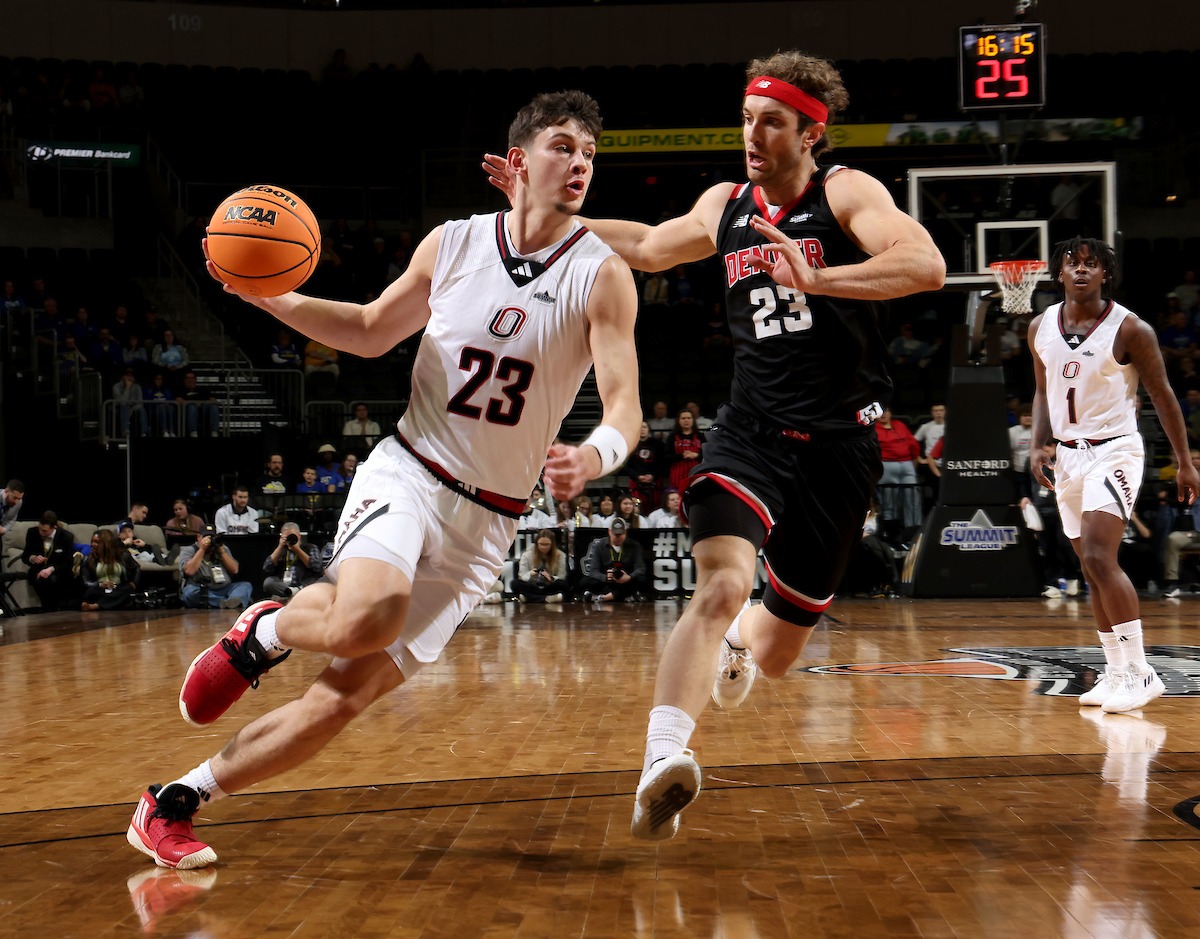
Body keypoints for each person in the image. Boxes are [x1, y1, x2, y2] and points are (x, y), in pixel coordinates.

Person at [127, 90, 640, 870]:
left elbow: (625, 408)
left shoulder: (602, 276)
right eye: (565, 146)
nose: (580, 164)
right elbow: (369, 332)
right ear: (517, 161)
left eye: (591, 155)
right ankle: (263, 629)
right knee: (363, 618)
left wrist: (594, 455)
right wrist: (273, 296)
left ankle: (174, 800)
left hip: (488, 525)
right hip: (411, 470)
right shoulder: (456, 243)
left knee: (341, 699)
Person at [486, 50, 945, 839]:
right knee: (721, 583)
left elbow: (926, 264)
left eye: (771, 121)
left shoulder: (846, 192)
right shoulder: (726, 202)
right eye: (746, 118)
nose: (752, 134)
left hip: (840, 450)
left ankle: (740, 640)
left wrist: (823, 279)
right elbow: (655, 245)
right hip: (751, 434)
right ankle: (663, 758)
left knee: (773, 654)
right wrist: (550, 214)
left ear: (810, 133)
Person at [1029, 236, 1198, 714]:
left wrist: (1185, 461)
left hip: (1115, 451)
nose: (1081, 270)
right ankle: (1117, 670)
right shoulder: (1040, 326)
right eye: (1072, 263)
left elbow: (1164, 395)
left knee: (1102, 557)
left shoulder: (1131, 329)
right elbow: (1042, 392)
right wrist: (1039, 443)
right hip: (1068, 455)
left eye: (1091, 265)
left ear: (1106, 274)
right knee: (1089, 567)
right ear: (1059, 273)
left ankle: (1141, 671)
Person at [874, 408, 922, 542]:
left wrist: (913, 462)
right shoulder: (873, 429)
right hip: (887, 465)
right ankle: (891, 536)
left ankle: (913, 534)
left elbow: (912, 444)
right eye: (880, 412)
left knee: (913, 499)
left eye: (886, 411)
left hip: (907, 464)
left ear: (890, 413)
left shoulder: (900, 425)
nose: (884, 415)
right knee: (889, 501)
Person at [177, 529, 254, 610]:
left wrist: (221, 552)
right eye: (206, 538)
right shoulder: (190, 550)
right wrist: (202, 549)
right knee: (189, 593)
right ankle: (227, 602)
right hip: (202, 589)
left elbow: (235, 570)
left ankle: (229, 602)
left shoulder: (222, 548)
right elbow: (189, 571)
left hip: (224, 588)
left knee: (245, 585)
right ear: (198, 537)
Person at [577, 517, 648, 602]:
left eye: (621, 534)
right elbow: (593, 571)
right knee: (585, 581)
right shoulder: (599, 545)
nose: (618, 537)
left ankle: (605, 597)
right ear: (609, 532)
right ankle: (621, 596)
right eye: (615, 535)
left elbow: (641, 568)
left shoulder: (635, 545)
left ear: (625, 532)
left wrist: (629, 577)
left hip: (626, 580)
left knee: (642, 579)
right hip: (607, 581)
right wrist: (606, 577)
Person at [21, 511, 77, 611]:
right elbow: (25, 555)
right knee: (40, 578)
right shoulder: (32, 533)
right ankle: (49, 610)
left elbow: (68, 563)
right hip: (38, 569)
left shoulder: (66, 537)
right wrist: (33, 558)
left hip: (58, 570)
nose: (41, 533)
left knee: (53, 580)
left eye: (45, 531)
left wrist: (51, 569)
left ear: (54, 527)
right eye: (40, 529)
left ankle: (54, 609)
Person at [81, 528, 140, 611]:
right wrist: (100, 584)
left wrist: (133, 583)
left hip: (118, 588)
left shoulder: (123, 554)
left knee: (127, 589)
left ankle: (95, 606)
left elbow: (136, 568)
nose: (93, 544)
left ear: (106, 544)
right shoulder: (88, 559)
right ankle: (110, 603)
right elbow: (85, 581)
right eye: (92, 542)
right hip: (99, 590)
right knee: (89, 592)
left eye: (97, 542)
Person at [261, 522, 323, 599]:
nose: (290, 539)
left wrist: (297, 549)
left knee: (317, 582)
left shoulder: (310, 547)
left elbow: (317, 567)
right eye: (287, 537)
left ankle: (295, 592)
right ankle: (291, 592)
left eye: (293, 536)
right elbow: (266, 568)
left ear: (299, 536)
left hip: (304, 585)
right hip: (284, 587)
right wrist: (280, 547)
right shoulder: (281, 550)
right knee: (268, 582)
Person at [511, 528, 569, 603]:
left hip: (550, 586)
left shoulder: (561, 555)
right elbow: (521, 575)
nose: (544, 547)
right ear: (536, 543)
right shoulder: (527, 555)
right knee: (515, 584)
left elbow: (562, 576)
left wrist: (551, 578)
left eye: (547, 544)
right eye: (541, 544)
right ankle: (546, 599)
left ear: (552, 544)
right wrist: (530, 574)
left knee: (565, 585)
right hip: (533, 585)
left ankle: (529, 597)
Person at [626, 420, 665, 511]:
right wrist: (638, 476)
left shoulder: (657, 444)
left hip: (654, 481)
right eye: (639, 427)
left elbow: (661, 463)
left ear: (648, 429)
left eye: (644, 427)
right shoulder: (630, 444)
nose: (642, 429)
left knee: (655, 507)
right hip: (636, 481)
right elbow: (627, 466)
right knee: (636, 508)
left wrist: (653, 475)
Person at [667, 408, 703, 493]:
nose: (686, 420)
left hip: (696, 474)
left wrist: (696, 455)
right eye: (683, 418)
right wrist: (682, 455)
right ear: (678, 421)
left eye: (688, 418)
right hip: (677, 475)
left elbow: (708, 455)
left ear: (693, 420)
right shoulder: (672, 437)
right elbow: (666, 456)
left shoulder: (701, 436)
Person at [177, 371, 221, 437]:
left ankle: (214, 431)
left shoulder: (203, 390)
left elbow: (213, 399)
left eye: (192, 378)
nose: (190, 380)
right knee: (192, 407)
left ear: (195, 380)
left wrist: (202, 403)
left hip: (203, 410)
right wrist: (194, 403)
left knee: (214, 405)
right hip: (188, 411)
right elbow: (178, 400)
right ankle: (193, 432)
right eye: (188, 378)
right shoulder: (181, 390)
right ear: (184, 380)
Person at [112, 368, 149, 438]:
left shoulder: (137, 387)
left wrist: (132, 409)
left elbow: (140, 402)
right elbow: (122, 402)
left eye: (131, 376)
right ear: (123, 377)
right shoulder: (116, 386)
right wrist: (127, 388)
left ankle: (144, 433)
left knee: (141, 409)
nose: (129, 378)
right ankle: (126, 432)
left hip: (133, 408)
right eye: (127, 376)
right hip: (120, 408)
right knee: (125, 407)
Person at [1009, 404, 1035, 501]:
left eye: (1030, 415)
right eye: (1024, 415)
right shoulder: (1012, 432)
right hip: (1018, 469)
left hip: (1035, 469)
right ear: (1019, 417)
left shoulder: (1038, 430)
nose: (1028, 418)